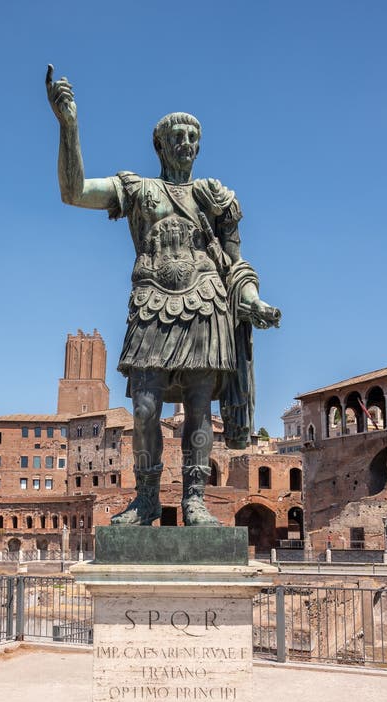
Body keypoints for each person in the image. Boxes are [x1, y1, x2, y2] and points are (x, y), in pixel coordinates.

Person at [46, 66, 281, 526]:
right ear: (159, 145)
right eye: (177, 137)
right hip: (152, 304)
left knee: (198, 406)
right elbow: (74, 191)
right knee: (145, 407)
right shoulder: (138, 190)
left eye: (193, 138)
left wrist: (253, 299)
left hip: (206, 304)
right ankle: (147, 498)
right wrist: (68, 125)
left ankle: (194, 499)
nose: (186, 144)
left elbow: (237, 263)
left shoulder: (215, 196)